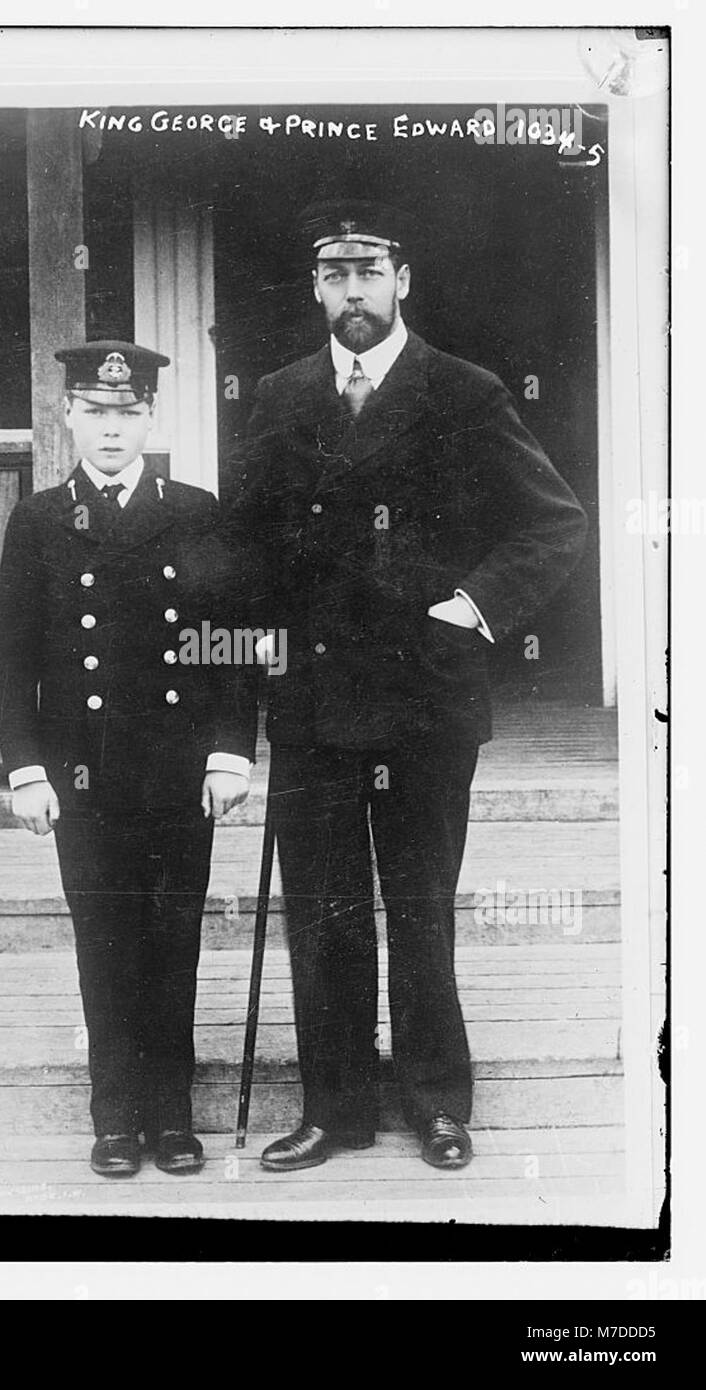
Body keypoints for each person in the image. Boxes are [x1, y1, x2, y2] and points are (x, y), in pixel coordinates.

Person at [224, 201, 588, 1172]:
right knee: (325, 915)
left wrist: (470, 605)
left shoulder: (462, 393)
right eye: (335, 274)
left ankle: (437, 1101)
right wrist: (253, 647)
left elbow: (553, 522)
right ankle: (334, 1111)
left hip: (427, 699)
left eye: (369, 272)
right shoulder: (281, 393)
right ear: (315, 286)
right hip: (313, 704)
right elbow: (246, 543)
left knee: (420, 909)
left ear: (403, 280)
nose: (353, 291)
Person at [0, 340, 256, 1177]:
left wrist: (229, 751)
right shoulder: (38, 518)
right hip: (81, 776)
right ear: (69, 414)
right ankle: (114, 1118)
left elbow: (232, 641)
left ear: (151, 417)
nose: (111, 429)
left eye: (128, 413)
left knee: (174, 938)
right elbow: (9, 656)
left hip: (179, 772)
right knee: (103, 939)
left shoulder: (194, 510)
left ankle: (172, 1116)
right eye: (95, 413)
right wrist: (25, 767)